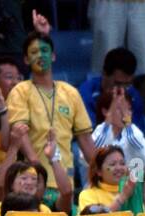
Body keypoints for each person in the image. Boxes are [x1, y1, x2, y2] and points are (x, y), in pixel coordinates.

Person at [6, 32, 96, 191]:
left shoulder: (71, 92)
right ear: (26, 60)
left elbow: (85, 139)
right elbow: (20, 134)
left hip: (65, 183)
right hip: (32, 183)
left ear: (53, 56)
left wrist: (100, 171)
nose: (40, 55)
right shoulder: (20, 91)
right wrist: (37, 167)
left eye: (45, 51)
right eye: (34, 52)